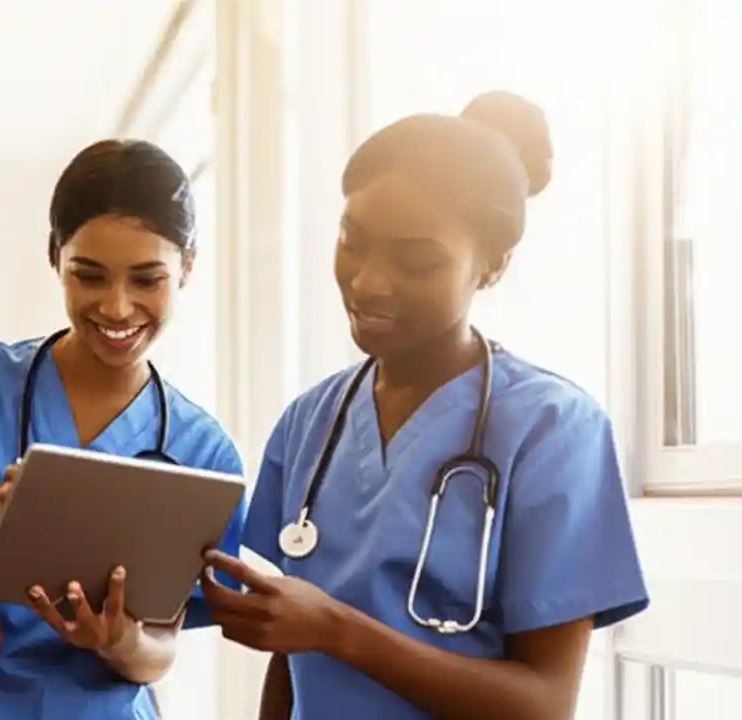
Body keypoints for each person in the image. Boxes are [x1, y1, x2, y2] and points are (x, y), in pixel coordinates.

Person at [199, 91, 649, 719]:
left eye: (415, 261)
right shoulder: (311, 421)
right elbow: (292, 654)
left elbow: (544, 705)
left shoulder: (553, 429)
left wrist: (338, 631)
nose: (368, 281)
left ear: (491, 267)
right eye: (352, 240)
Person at [0, 138, 248, 719]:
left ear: (186, 268)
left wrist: (118, 641)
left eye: (147, 280)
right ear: (54, 256)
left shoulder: (201, 450)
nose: (117, 307)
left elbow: (159, 648)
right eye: (89, 276)